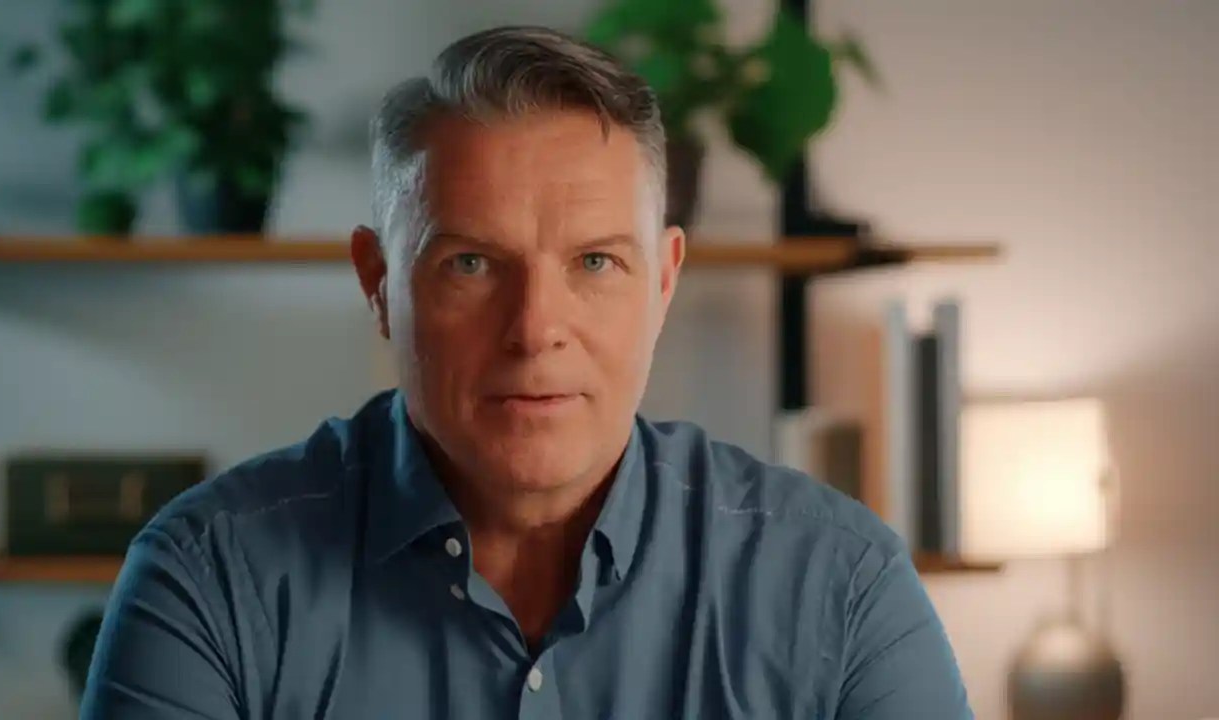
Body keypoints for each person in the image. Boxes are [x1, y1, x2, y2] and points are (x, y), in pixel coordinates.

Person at [80, 25, 972, 719]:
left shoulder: (840, 585)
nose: (537, 329)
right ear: (380, 283)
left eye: (594, 263)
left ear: (663, 281)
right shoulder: (211, 583)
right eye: (471, 262)